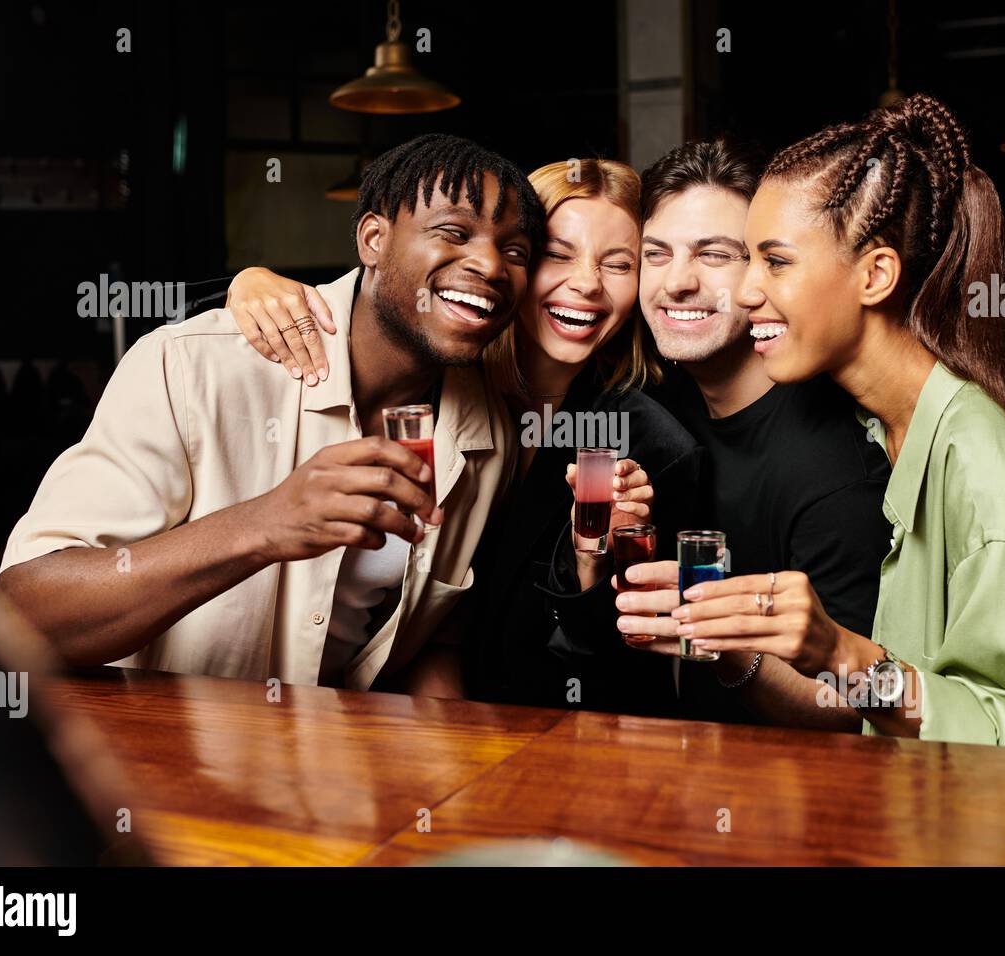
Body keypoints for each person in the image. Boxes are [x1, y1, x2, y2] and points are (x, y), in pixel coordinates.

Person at [625, 94, 1005, 758]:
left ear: (875, 275)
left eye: (775, 261)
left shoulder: (981, 455)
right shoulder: (891, 430)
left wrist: (837, 651)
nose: (747, 291)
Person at [0, 134, 547, 694]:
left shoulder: (489, 436)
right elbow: (26, 621)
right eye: (455, 232)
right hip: (154, 760)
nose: (491, 265)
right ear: (374, 239)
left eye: (517, 250)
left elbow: (435, 638)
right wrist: (266, 523)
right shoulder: (192, 365)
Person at [215, 159, 701, 714]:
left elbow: (636, 674)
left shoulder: (652, 446)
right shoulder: (439, 384)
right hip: (386, 724)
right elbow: (373, 302)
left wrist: (592, 566)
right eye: (558, 255)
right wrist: (245, 283)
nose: (587, 282)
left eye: (620, 264)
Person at [622, 140, 892, 728]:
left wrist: (728, 646)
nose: (677, 282)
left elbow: (859, 711)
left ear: (763, 271)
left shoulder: (834, 469)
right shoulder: (656, 416)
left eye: (714, 255)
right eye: (656, 254)